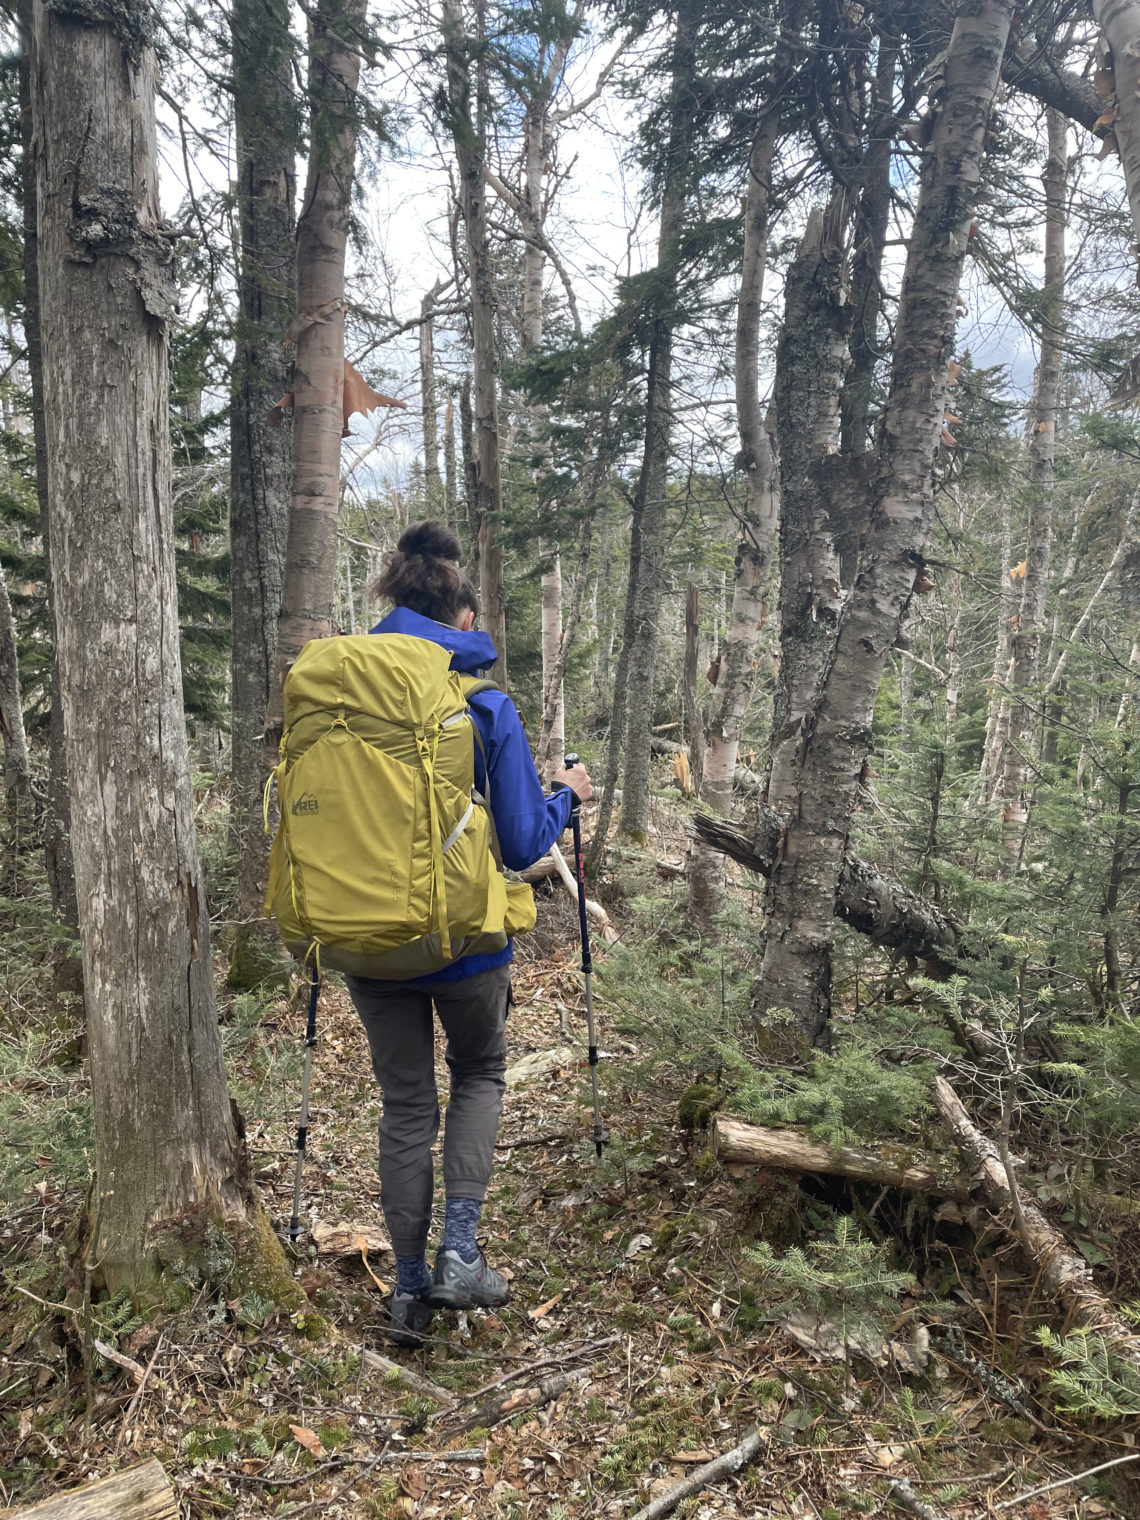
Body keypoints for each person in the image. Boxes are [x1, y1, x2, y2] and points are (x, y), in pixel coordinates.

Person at [346, 520, 592, 1345]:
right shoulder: (481, 700)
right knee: (480, 1070)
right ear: (461, 622)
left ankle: (408, 1293)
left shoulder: (343, 695)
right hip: (464, 941)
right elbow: (526, 843)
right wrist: (569, 795)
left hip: (364, 937)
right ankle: (460, 1253)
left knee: (405, 1104)